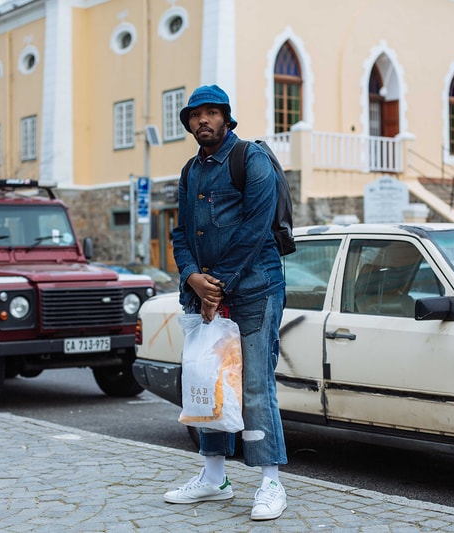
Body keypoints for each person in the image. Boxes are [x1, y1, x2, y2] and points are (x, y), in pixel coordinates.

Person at [165, 84, 288, 521]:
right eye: (196, 115)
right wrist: (190, 277)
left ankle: (271, 482)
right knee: (208, 381)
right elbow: (180, 234)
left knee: (255, 386)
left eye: (212, 113)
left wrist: (214, 287)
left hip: (256, 291)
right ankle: (214, 479)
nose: (204, 121)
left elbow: (255, 231)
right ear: (189, 122)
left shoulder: (250, 160)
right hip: (205, 296)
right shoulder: (189, 171)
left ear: (226, 117)